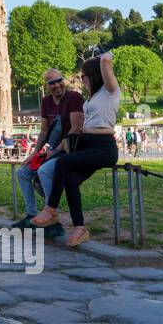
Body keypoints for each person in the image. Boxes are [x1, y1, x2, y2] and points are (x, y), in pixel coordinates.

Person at [33, 52, 120, 248]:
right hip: (87, 143)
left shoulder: (110, 92)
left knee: (63, 163)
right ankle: (79, 228)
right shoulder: (93, 98)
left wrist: (102, 57)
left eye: (85, 76)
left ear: (94, 76)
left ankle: (51, 208)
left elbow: (106, 61)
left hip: (103, 146)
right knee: (70, 180)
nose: (82, 81)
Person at [13, 68, 83, 237]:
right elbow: (44, 131)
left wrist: (56, 150)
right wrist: (34, 153)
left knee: (44, 171)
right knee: (22, 172)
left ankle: (52, 219)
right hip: (53, 149)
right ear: (47, 85)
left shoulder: (74, 97)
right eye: (52, 83)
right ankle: (31, 215)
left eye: (59, 80)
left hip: (70, 148)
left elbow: (76, 129)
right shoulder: (46, 102)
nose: (57, 85)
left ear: (63, 80)